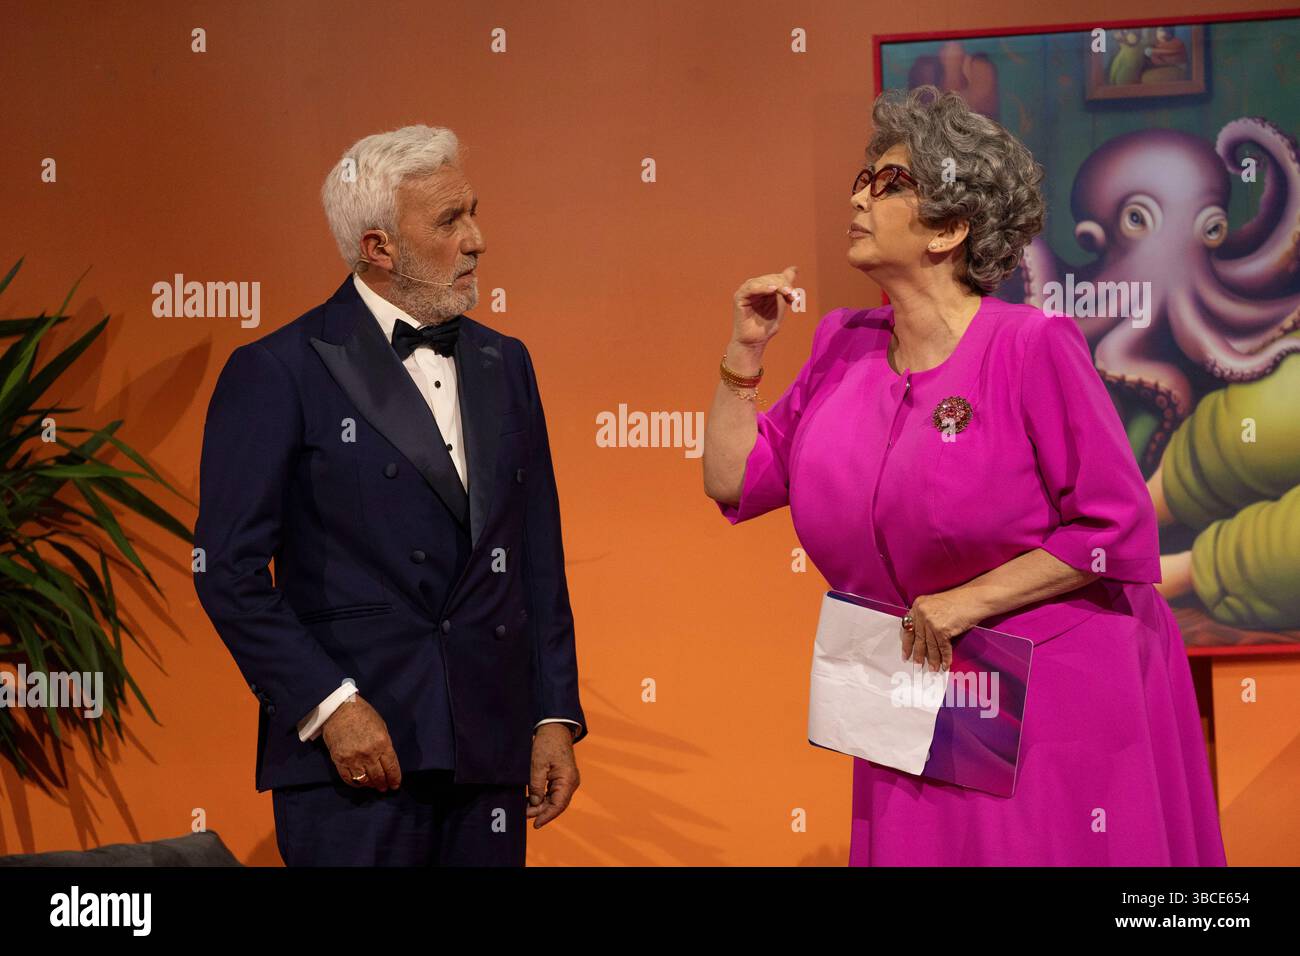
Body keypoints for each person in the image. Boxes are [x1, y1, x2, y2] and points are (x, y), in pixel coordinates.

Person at [702, 86, 1227, 866]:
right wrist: (744, 355)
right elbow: (733, 481)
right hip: (911, 682)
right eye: (862, 179)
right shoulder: (841, 345)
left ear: (948, 228)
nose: (858, 196)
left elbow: (1114, 527)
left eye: (889, 185)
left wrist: (962, 605)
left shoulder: (1032, 347)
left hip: (1054, 689)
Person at [194, 125, 585, 866]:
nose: (478, 239)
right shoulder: (276, 370)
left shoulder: (510, 364)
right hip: (355, 761)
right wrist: (329, 706)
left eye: (472, 211)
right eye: (449, 221)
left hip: (488, 752)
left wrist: (554, 712)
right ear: (378, 248)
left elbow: (537, 555)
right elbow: (227, 571)